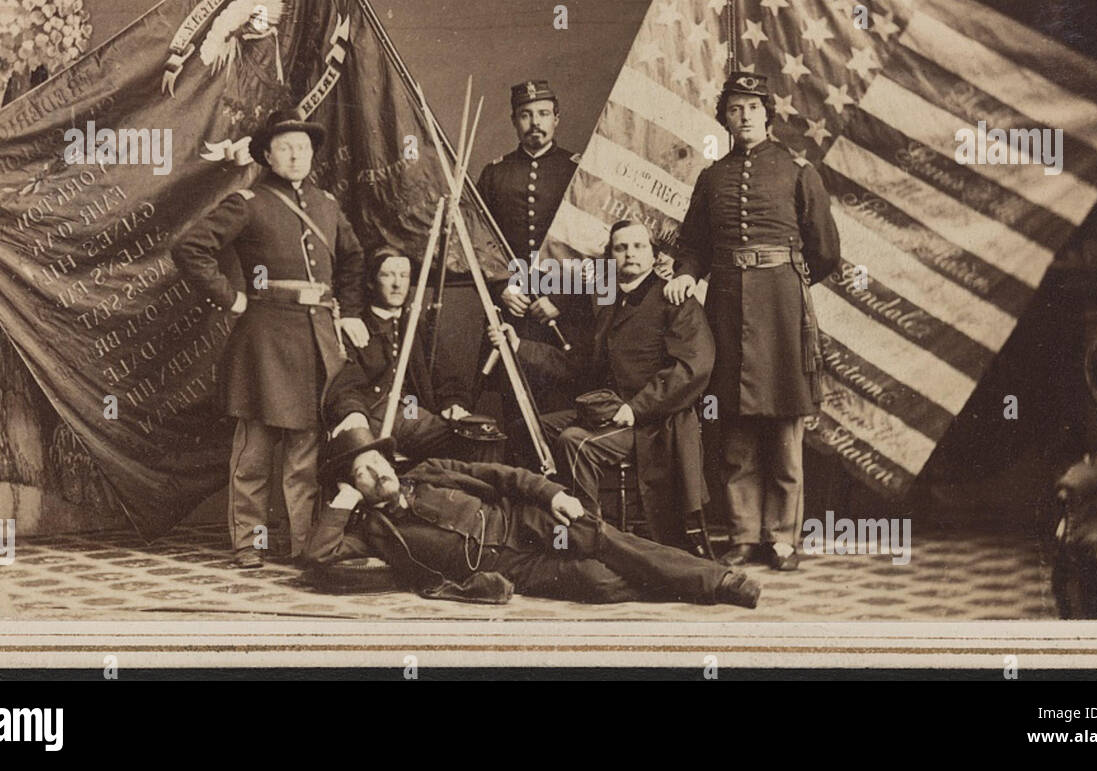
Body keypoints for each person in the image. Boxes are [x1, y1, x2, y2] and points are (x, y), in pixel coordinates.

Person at [172, 109, 367, 569]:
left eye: (303, 146)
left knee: (304, 455)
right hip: (262, 339)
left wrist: (352, 313)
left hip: (316, 338)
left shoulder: (327, 204)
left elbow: (355, 260)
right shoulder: (248, 202)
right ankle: (249, 545)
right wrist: (231, 298)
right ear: (267, 155)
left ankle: (302, 544)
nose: (297, 154)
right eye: (285, 146)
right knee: (255, 453)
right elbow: (190, 248)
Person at [664, 72, 840, 571]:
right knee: (736, 424)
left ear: (768, 113)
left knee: (784, 424)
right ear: (725, 116)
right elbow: (693, 246)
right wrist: (684, 275)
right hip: (726, 306)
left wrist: (787, 283)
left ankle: (783, 538)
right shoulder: (712, 177)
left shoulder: (798, 170)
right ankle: (743, 534)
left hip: (782, 309)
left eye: (752, 107)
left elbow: (825, 250)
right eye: (735, 108)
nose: (744, 116)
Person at [302, 418, 762, 608]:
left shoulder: (429, 472)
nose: (376, 473)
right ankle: (681, 585)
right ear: (353, 486)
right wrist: (343, 502)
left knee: (597, 538)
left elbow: (501, 475)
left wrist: (552, 496)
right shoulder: (374, 533)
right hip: (511, 567)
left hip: (523, 518)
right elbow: (319, 561)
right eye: (362, 473)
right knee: (599, 583)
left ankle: (717, 582)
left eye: (376, 462)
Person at [512, 219, 715, 556]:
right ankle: (544, 531)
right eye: (620, 248)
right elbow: (578, 365)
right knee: (528, 431)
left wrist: (635, 409)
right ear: (610, 257)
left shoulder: (674, 299)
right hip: (608, 412)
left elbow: (693, 367)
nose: (629, 254)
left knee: (574, 442)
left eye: (638, 247)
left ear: (654, 255)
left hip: (655, 425)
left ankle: (591, 545)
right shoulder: (608, 303)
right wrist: (520, 346)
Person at [475, 80, 590, 458]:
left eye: (542, 114)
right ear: (514, 121)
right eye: (525, 115)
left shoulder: (580, 172)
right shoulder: (494, 174)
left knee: (565, 418)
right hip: (515, 315)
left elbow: (603, 251)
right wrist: (501, 289)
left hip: (566, 320)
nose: (534, 123)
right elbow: (476, 242)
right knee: (515, 416)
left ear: (557, 119)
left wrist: (562, 299)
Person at [320, 245, 472, 463]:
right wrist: (353, 411)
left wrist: (453, 404)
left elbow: (448, 379)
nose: (397, 284)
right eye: (388, 275)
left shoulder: (418, 327)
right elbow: (344, 384)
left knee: (477, 437)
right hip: (370, 412)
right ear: (372, 282)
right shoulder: (355, 326)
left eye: (403, 275)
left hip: (411, 411)